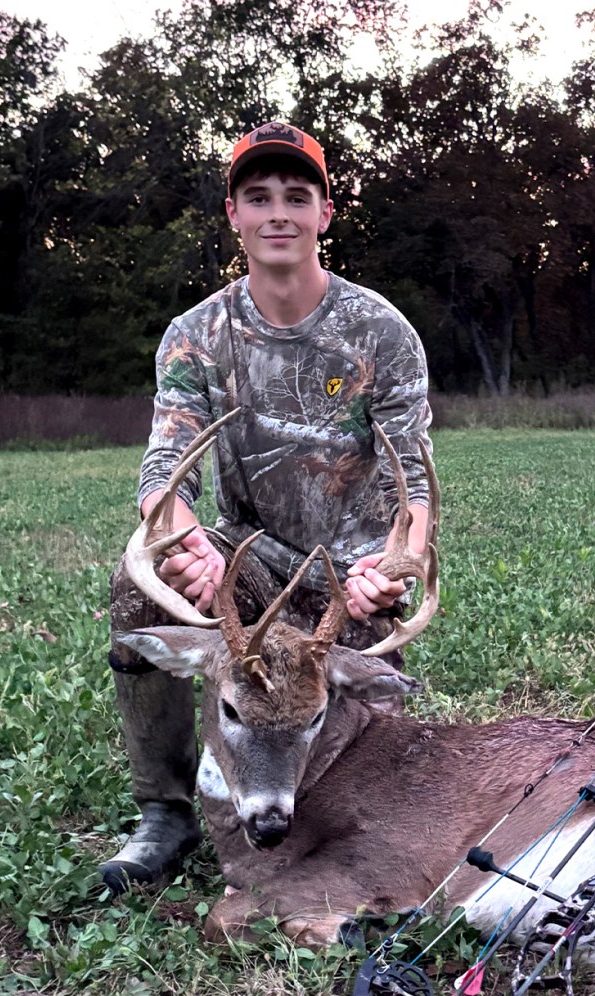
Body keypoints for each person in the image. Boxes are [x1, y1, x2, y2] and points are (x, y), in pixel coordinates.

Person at [99, 121, 433, 893]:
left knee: (376, 793)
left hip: (349, 592)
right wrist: (189, 546)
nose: (277, 211)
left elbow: (412, 484)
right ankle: (166, 811)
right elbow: (165, 472)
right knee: (134, 578)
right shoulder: (197, 335)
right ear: (234, 216)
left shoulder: (381, 332)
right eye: (258, 197)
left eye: (296, 195)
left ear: (324, 214)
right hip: (247, 577)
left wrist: (391, 566)